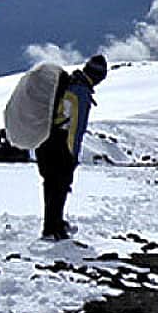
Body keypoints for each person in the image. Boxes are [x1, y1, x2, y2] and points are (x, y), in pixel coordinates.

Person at [36, 55, 108, 241]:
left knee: (51, 184)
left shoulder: (68, 84)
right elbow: (75, 129)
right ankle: (52, 229)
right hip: (60, 143)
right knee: (60, 185)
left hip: (46, 139)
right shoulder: (81, 93)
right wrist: (72, 156)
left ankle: (53, 223)